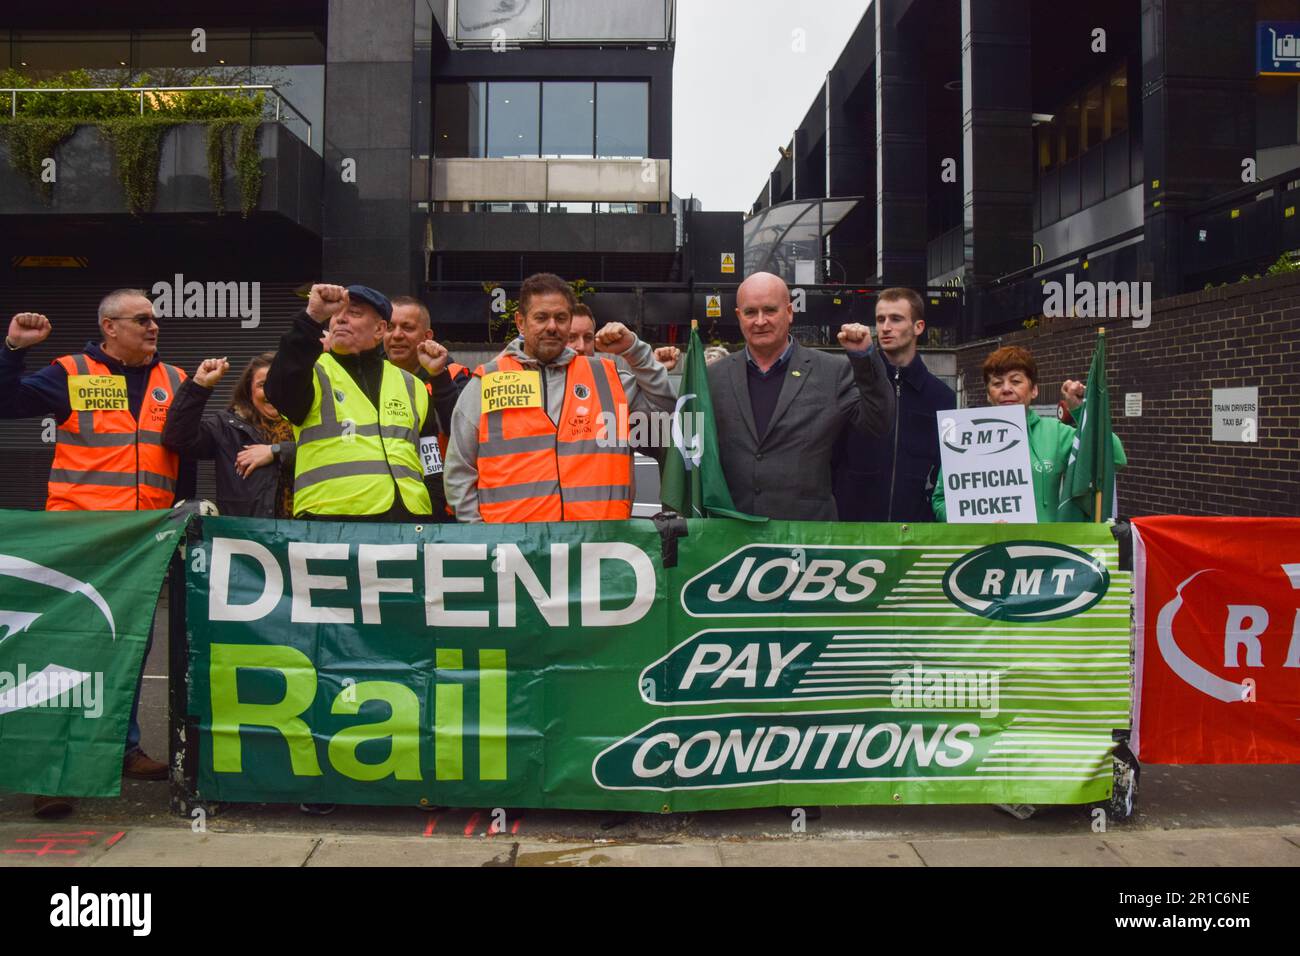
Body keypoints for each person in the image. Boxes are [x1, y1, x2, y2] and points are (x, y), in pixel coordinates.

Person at [0, 291, 185, 816]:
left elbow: (179, 453)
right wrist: (13, 347)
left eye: (155, 320)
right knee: (66, 655)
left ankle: (120, 749)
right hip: (79, 539)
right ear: (109, 326)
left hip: (141, 542)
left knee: (126, 648)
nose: (153, 327)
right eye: (142, 320)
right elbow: (5, 400)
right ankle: (53, 772)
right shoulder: (72, 371)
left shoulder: (172, 380)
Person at [444, 272, 676, 522]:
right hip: (515, 550)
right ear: (520, 322)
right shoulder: (487, 381)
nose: (552, 326)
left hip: (599, 545)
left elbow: (665, 418)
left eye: (561, 318)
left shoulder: (607, 379)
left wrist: (636, 352)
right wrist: (480, 536)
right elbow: (460, 471)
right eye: (541, 317)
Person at [708, 272, 894, 520]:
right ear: (739, 316)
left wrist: (864, 358)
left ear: (789, 312)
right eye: (751, 312)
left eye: (770, 310)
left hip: (807, 537)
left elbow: (878, 423)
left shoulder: (833, 371)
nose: (760, 321)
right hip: (732, 534)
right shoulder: (714, 377)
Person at [264, 283, 443, 522]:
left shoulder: (413, 386)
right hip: (330, 523)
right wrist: (312, 318)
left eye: (354, 313)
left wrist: (434, 520)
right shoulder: (313, 374)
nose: (340, 320)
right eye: (335, 315)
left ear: (380, 329)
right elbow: (279, 389)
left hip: (408, 524)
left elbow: (431, 464)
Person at [931, 345, 1126, 522]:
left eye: (1016, 381)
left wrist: (1080, 410)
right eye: (997, 383)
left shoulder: (1055, 433)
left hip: (1044, 554)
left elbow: (1113, 456)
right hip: (985, 551)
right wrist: (976, 522)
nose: (1006, 389)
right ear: (988, 394)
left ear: (1034, 390)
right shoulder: (963, 436)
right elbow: (940, 500)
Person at [833, 288, 955, 522]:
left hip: (915, 534)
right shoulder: (851, 384)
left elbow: (947, 472)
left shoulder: (942, 397)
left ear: (918, 327)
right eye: (880, 319)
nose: (885, 327)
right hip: (853, 530)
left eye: (896, 319)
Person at [162, 352, 297, 518]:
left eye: (280, 383)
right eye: (263, 385)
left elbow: (332, 453)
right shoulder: (227, 426)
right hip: (242, 538)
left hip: (301, 537)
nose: (272, 392)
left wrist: (277, 451)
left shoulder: (309, 424)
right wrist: (199, 386)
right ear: (249, 391)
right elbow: (178, 439)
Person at [384, 296, 470, 519]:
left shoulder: (455, 375)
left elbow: (462, 431)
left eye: (408, 327)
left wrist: (438, 377)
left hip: (448, 502)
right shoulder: (370, 379)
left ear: (427, 336)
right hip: (389, 502)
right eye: (390, 327)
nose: (397, 335)